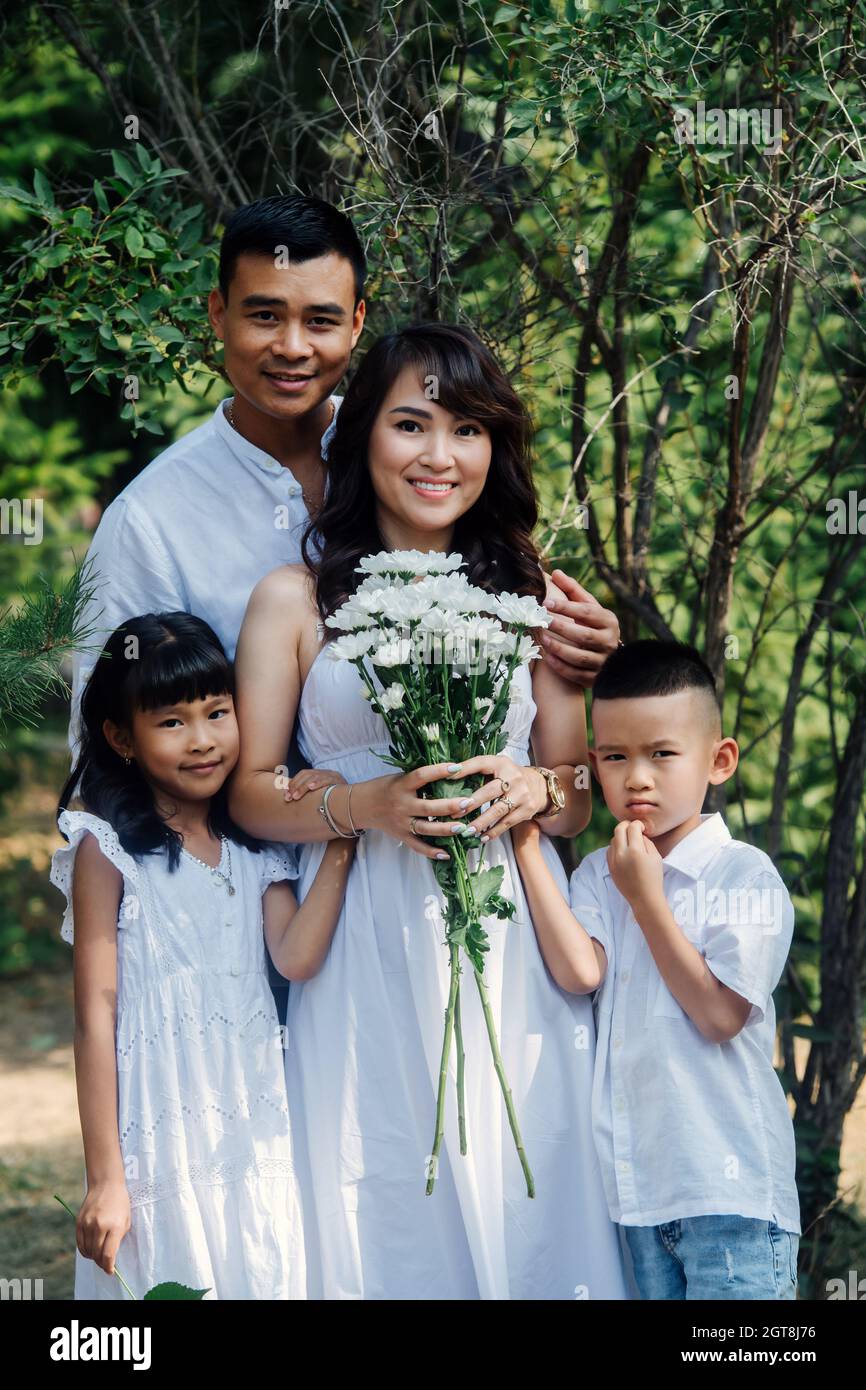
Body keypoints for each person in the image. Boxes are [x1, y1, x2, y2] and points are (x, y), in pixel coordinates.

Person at [65, 192, 619, 1018]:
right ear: (217, 315)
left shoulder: (407, 455)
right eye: (262, 316)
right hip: (250, 928)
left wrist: (587, 654)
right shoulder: (151, 521)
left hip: (476, 938)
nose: (292, 347)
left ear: (357, 324)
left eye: (320, 320)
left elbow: (567, 772)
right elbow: (110, 757)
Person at [226, 321, 632, 1300]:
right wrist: (358, 803)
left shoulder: (527, 593)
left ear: (494, 448)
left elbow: (579, 797)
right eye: (410, 424)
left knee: (520, 1186)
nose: (439, 456)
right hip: (359, 938)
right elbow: (246, 792)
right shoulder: (294, 599)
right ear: (364, 433)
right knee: (381, 1192)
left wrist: (539, 787)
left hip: (503, 946)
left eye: (467, 429)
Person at [50, 612, 354, 1299]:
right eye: (172, 722)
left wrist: (341, 826)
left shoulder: (252, 849)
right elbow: (95, 1018)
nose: (203, 741)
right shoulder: (107, 850)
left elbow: (296, 956)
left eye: (217, 713)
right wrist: (106, 1178)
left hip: (253, 1128)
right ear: (121, 738)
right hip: (159, 1133)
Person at [511, 639, 801, 1300]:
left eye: (662, 754)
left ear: (719, 760)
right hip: (639, 1198)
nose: (636, 778)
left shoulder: (741, 875)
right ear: (593, 765)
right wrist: (526, 838)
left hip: (730, 1195)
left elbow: (721, 1015)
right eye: (615, 757)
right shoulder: (595, 874)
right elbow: (580, 972)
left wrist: (645, 898)